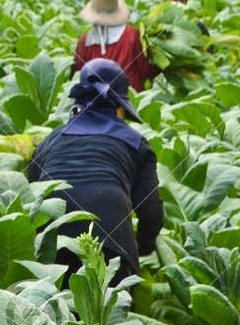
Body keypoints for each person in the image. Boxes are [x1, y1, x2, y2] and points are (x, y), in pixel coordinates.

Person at [27, 58, 164, 286]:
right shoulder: (136, 143)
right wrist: (140, 250)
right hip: (111, 242)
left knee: (49, 313)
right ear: (119, 107)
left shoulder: (50, 141)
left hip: (50, 246)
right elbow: (151, 213)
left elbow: (33, 194)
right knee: (112, 317)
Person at [73, 0, 156, 92]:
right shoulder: (132, 35)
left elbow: (77, 76)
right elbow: (145, 70)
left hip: (98, 101)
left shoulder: (84, 41)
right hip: (130, 97)